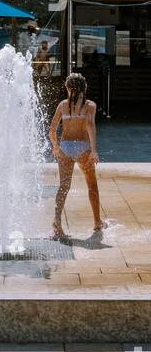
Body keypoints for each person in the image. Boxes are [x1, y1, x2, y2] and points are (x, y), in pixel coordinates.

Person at [49, 72, 104, 239]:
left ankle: (57, 224)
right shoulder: (90, 105)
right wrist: (94, 150)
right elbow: (90, 126)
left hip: (65, 148)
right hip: (83, 148)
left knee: (64, 186)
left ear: (67, 88)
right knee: (91, 186)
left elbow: (51, 130)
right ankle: (97, 222)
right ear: (84, 88)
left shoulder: (62, 105)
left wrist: (56, 147)